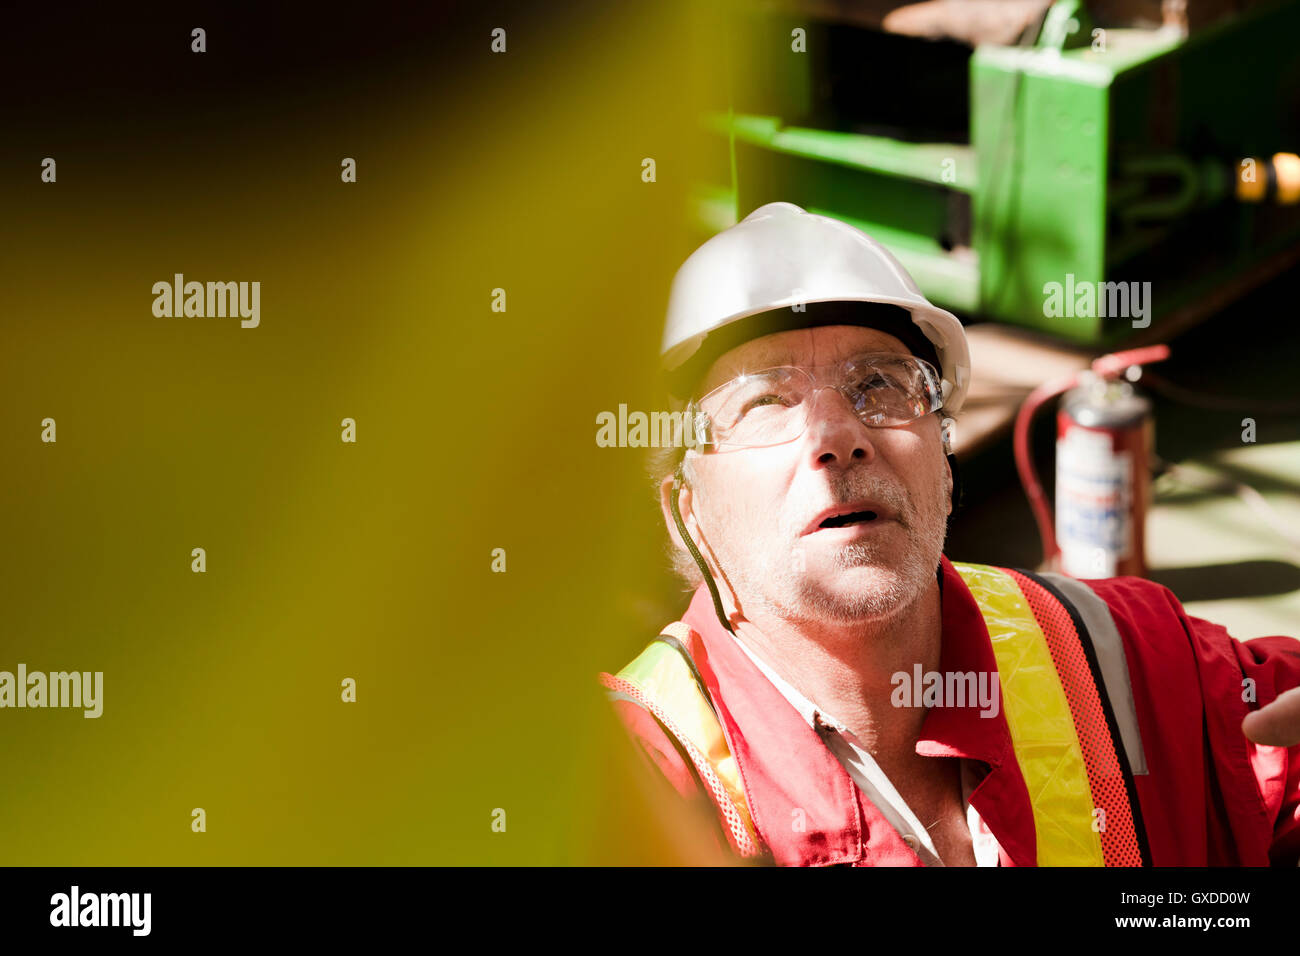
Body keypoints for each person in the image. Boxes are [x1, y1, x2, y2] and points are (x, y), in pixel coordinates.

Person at [600, 201, 1300, 867]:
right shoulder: (632, 777)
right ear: (687, 510)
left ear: (942, 458)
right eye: (764, 403)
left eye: (879, 384)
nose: (837, 437)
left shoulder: (1125, 655)